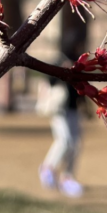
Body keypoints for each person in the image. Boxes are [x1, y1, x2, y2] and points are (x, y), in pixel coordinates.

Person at [38, 67, 84, 198]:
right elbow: (49, 80)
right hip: (60, 110)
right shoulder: (60, 61)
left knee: (76, 145)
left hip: (73, 110)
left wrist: (85, 103)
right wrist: (63, 71)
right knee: (64, 141)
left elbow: (81, 87)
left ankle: (67, 178)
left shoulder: (82, 63)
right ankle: (47, 168)